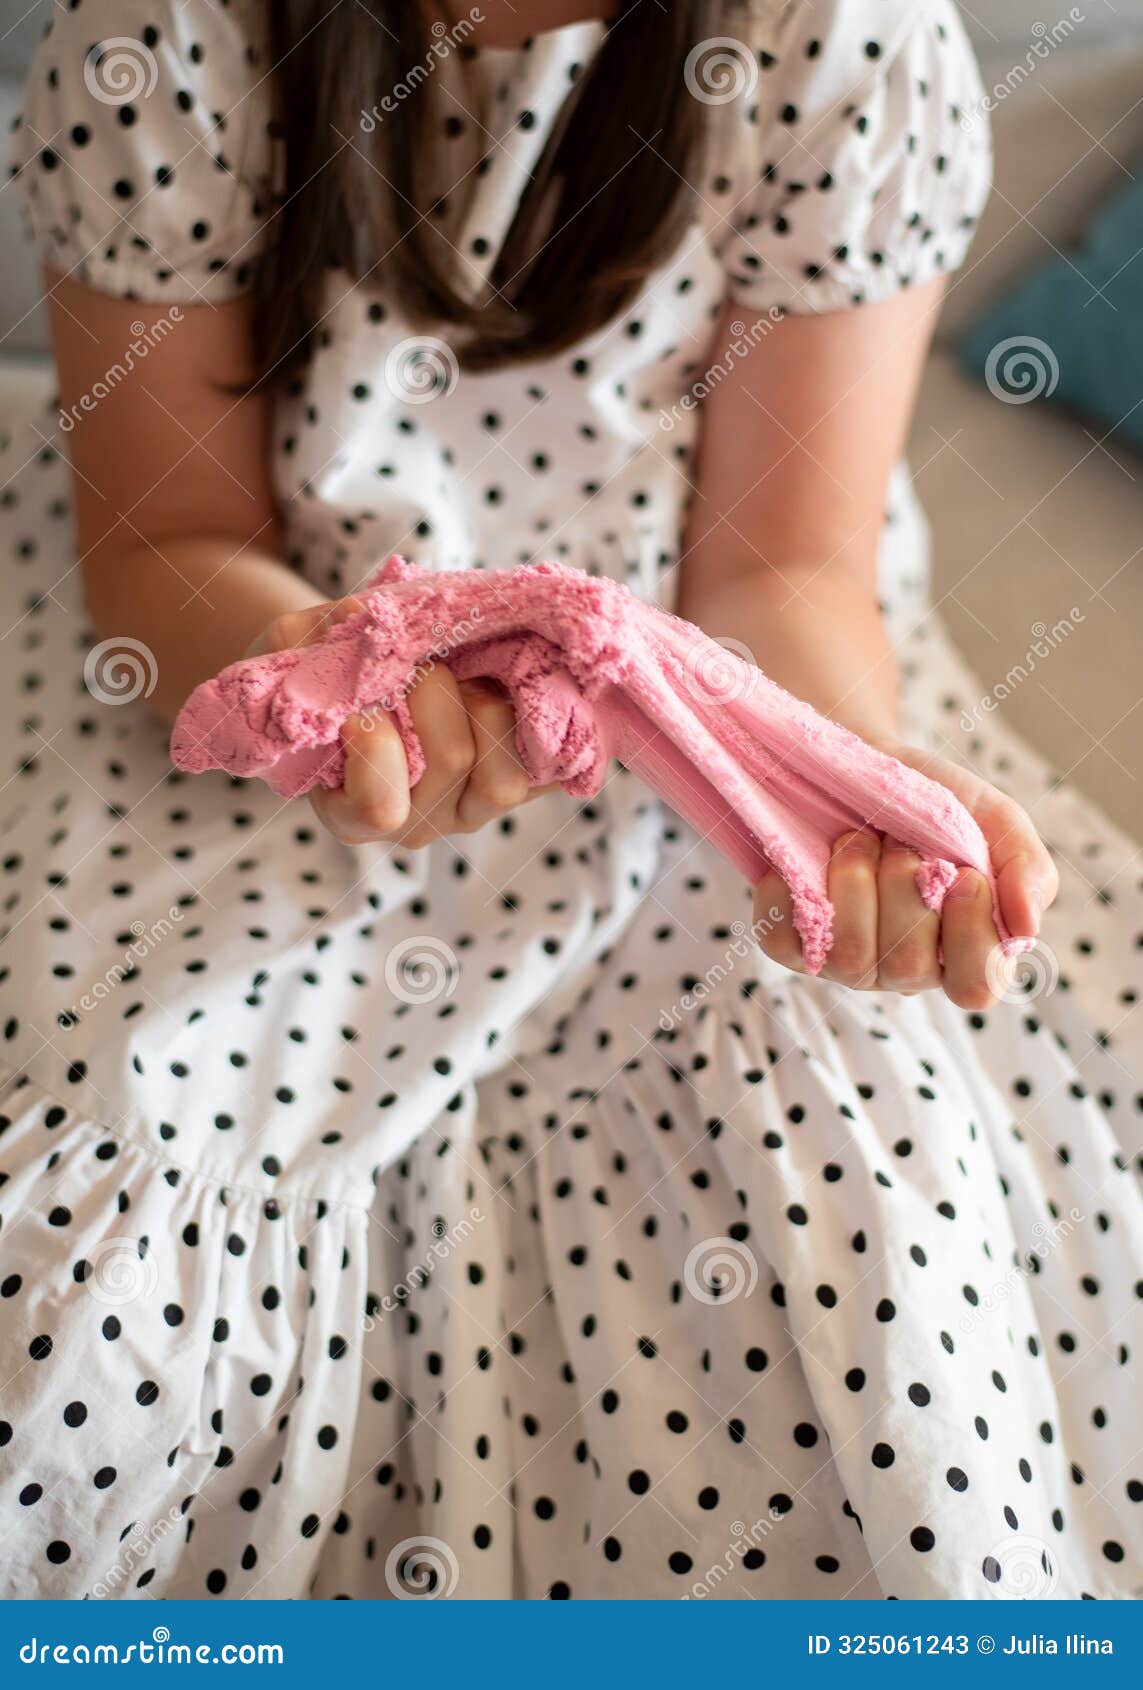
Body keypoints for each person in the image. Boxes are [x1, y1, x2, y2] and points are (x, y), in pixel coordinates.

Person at [1, 0, 1139, 1600]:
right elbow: (168, 537)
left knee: (862, 1267)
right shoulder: (168, 37)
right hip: (260, 644)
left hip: (712, 687)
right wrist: (329, 681)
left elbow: (780, 569)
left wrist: (827, 778)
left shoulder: (839, 41)